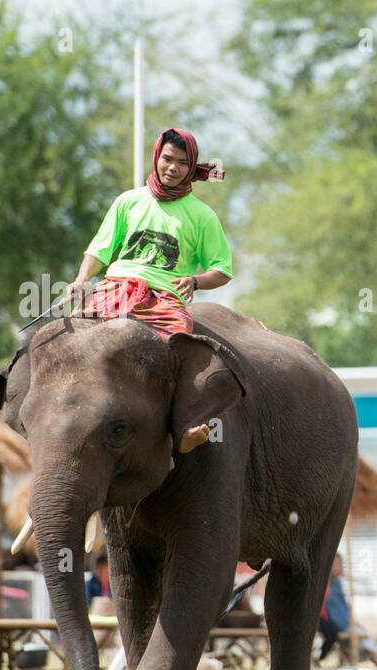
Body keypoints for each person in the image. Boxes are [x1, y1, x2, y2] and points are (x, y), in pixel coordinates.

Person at [65, 127, 233, 453]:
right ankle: (62, 410)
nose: (173, 167)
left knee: (180, 354)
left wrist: (196, 281)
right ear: (157, 157)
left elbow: (222, 271)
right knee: (70, 336)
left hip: (164, 299)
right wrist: (81, 279)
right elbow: (99, 250)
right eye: (168, 159)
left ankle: (182, 430)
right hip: (116, 287)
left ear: (191, 167)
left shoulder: (203, 216)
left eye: (182, 163)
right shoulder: (128, 201)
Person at [316, 555, 377, 670]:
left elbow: (343, 608)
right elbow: (329, 608)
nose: (338, 567)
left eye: (340, 564)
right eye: (335, 564)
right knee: (360, 640)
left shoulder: (337, 584)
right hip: (336, 622)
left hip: (345, 622)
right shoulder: (325, 584)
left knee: (364, 639)